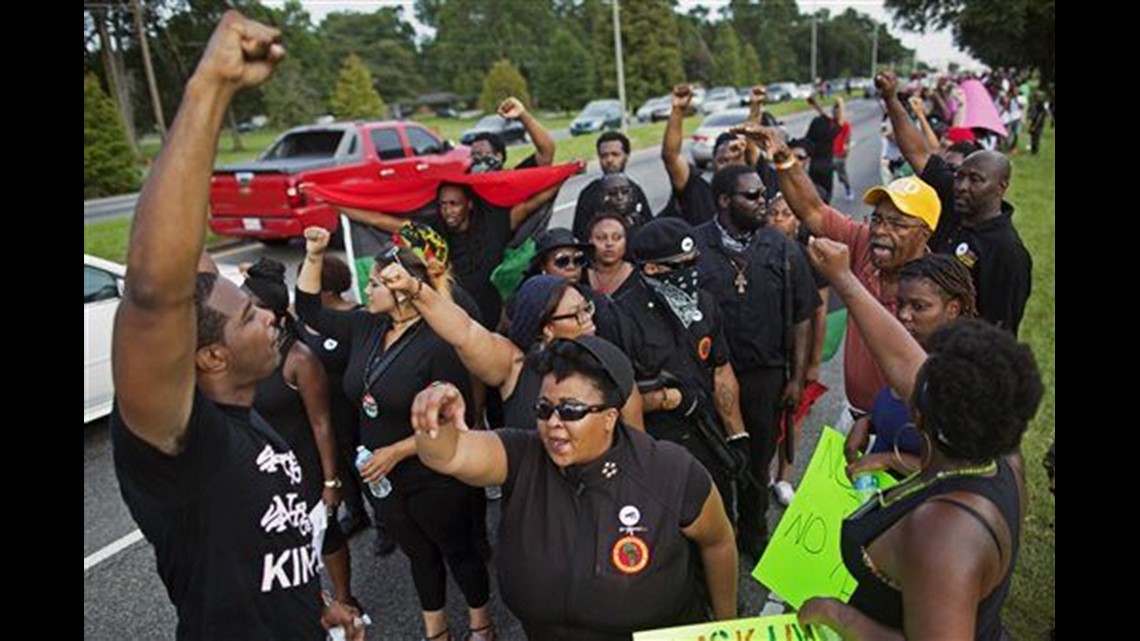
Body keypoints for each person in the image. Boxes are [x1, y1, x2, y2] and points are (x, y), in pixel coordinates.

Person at [109, 12, 361, 639]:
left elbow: (187, 258)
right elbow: (155, 292)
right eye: (250, 316)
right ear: (210, 357)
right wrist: (210, 89)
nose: (269, 318)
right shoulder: (181, 446)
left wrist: (314, 608)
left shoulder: (243, 410)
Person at [410, 336, 739, 640]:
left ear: (610, 417)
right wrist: (435, 415)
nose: (553, 423)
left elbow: (718, 542)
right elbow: (450, 455)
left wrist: (726, 628)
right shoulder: (520, 456)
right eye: (543, 409)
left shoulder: (671, 472)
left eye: (570, 410)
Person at [799, 237, 1043, 641]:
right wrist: (844, 279)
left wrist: (840, 617)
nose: (912, 375)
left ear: (921, 415)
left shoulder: (944, 530)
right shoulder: (1001, 455)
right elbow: (901, 358)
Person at [297, 227, 494, 641]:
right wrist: (314, 255)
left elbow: (457, 417)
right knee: (418, 555)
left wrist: (396, 451)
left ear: (402, 290)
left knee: (459, 553)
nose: (365, 289)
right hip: (385, 479)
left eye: (375, 283)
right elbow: (310, 312)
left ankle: (481, 623)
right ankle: (435, 630)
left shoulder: (439, 340)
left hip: (434, 473)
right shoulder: (367, 326)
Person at [746, 123, 942, 414]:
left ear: (925, 233)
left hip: (908, 425)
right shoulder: (863, 242)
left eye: (898, 224)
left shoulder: (937, 287)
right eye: (877, 219)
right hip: (857, 416)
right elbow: (812, 209)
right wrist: (784, 159)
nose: (881, 231)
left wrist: (842, 277)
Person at [690, 166, 820, 553]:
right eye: (751, 195)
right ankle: (717, 538)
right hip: (710, 375)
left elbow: (802, 316)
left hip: (766, 376)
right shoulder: (695, 246)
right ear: (725, 201)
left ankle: (753, 533)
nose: (762, 201)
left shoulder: (782, 248)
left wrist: (797, 378)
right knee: (712, 461)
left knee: (757, 459)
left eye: (763, 193)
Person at [598, 217, 750, 514]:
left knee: (720, 519)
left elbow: (721, 370)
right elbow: (611, 399)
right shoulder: (619, 317)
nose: (692, 271)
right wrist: (670, 400)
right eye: (682, 265)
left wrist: (737, 435)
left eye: (695, 260)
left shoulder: (704, 303)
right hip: (657, 445)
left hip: (707, 436)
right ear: (652, 269)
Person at [379, 261, 645, 432]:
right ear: (547, 328)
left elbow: (636, 443)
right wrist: (415, 289)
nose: (589, 320)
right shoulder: (515, 365)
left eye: (588, 309)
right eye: (576, 314)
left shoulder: (611, 364)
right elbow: (465, 332)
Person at [242, 258, 360, 605]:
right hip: (263, 464)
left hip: (304, 462)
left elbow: (322, 423)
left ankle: (344, 598)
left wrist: (330, 481)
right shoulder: (243, 353)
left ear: (274, 315)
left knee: (326, 536)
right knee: (277, 536)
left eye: (251, 308)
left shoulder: (300, 359)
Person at [878, 72, 1032, 335]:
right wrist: (892, 98)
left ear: (1001, 186)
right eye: (959, 177)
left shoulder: (1007, 252)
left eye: (975, 180)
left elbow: (999, 330)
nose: (961, 186)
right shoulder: (952, 199)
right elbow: (917, 153)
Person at [340, 179, 557, 329]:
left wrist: (566, 174)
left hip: (496, 321)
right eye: (442, 205)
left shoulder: (495, 224)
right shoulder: (432, 235)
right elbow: (379, 221)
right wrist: (331, 201)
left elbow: (531, 204)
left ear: (469, 204)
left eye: (454, 204)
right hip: (454, 321)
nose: (447, 210)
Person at [844, 254, 979, 479]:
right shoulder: (911, 352)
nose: (904, 315)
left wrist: (888, 459)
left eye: (919, 306)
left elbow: (959, 471)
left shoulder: (962, 378)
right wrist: (868, 422)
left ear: (953, 309)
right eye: (901, 304)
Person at [764, 193, 831, 505]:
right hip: (767, 352)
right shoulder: (757, 252)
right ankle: (762, 471)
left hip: (798, 354)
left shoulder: (809, 258)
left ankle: (784, 477)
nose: (778, 219)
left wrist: (813, 362)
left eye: (786, 214)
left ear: (798, 221)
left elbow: (819, 312)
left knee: (793, 417)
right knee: (765, 416)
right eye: (773, 212)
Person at [662, 84, 754, 226]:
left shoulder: (756, 194)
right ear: (713, 161)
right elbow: (671, 156)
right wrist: (677, 110)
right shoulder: (697, 191)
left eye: (735, 160)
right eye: (724, 160)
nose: (729, 167)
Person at [571, 131, 653, 239]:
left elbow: (649, 228)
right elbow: (579, 234)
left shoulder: (636, 190)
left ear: (626, 156)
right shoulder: (588, 193)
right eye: (604, 155)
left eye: (615, 154)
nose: (609, 160)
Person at [469, 97, 556, 172]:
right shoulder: (466, 183)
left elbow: (546, 152)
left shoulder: (516, 177)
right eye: (473, 155)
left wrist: (522, 115)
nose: (476, 159)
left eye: (480, 154)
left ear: (498, 156)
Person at [585, 212, 636, 297]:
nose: (609, 243)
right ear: (590, 241)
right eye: (601, 238)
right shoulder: (580, 275)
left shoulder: (639, 278)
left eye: (617, 238)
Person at [804, 94, 843, 203]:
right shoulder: (833, 131)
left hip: (814, 166)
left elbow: (824, 117)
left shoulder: (814, 131)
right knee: (826, 195)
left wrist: (815, 105)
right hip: (826, 166)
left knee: (814, 194)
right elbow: (838, 121)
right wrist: (840, 103)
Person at [526, 227, 592, 283]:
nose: (571, 267)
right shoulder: (531, 297)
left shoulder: (591, 296)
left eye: (578, 260)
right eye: (562, 261)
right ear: (543, 266)